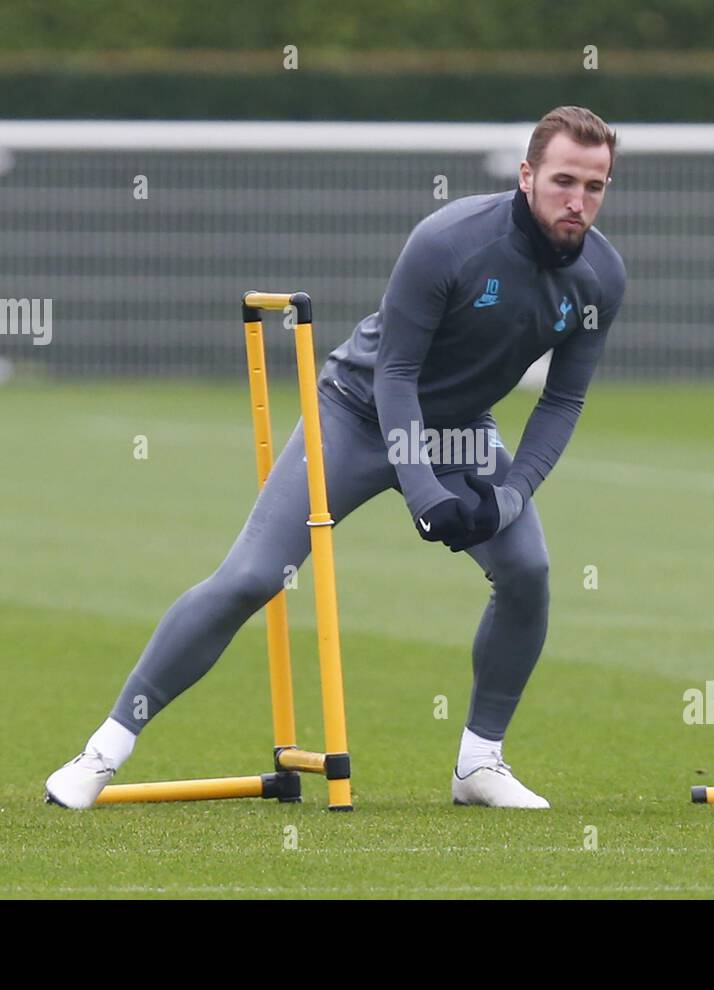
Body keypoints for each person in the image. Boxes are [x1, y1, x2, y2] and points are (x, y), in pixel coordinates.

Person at [45, 105, 626, 810]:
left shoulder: (601, 277)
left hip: (464, 431)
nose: (579, 201)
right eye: (565, 181)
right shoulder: (448, 242)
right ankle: (104, 750)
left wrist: (512, 494)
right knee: (252, 576)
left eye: (595, 186)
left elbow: (562, 403)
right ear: (526, 175)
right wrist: (422, 491)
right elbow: (397, 375)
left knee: (528, 570)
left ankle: (479, 764)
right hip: (354, 414)